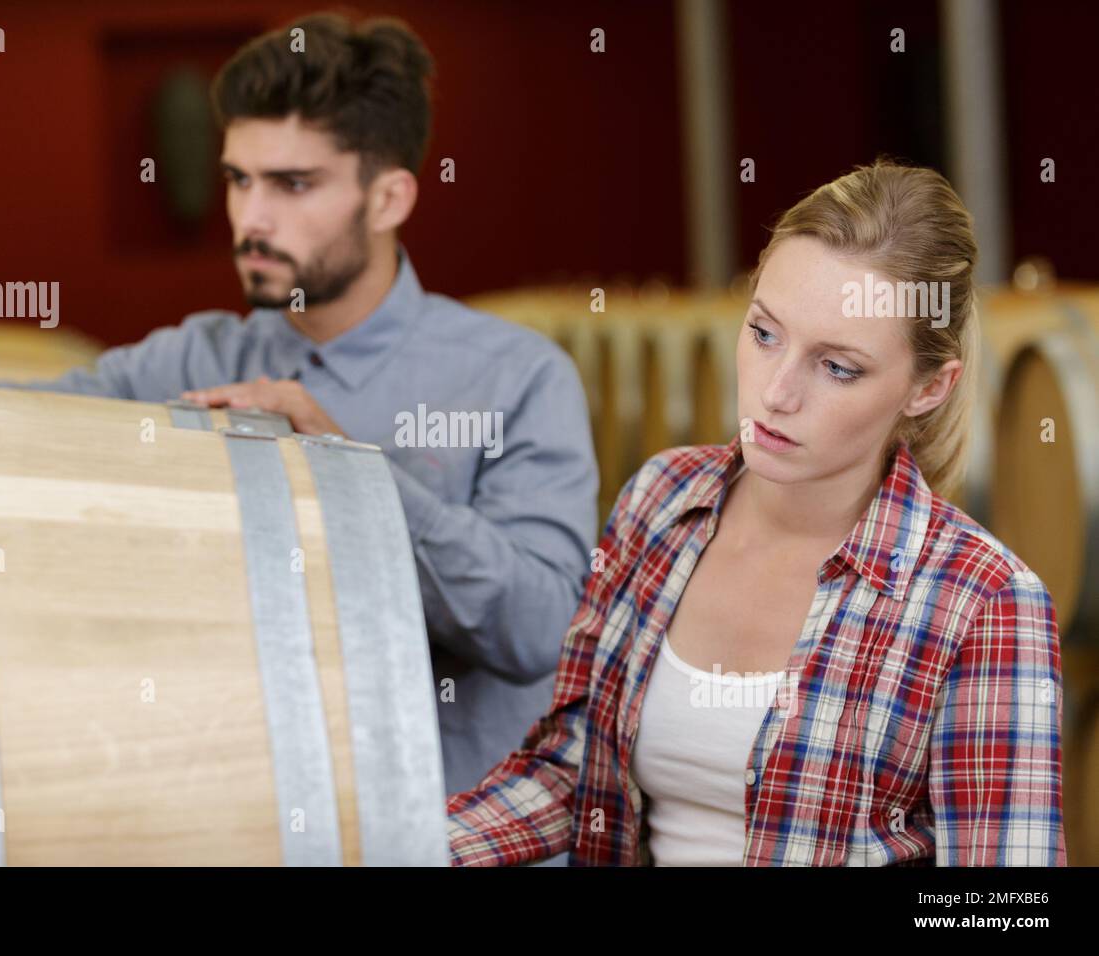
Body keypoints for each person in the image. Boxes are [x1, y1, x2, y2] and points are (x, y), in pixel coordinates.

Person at [0, 13, 599, 812]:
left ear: (388, 197)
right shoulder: (196, 359)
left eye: (293, 184)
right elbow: (21, 414)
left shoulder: (518, 376)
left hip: (458, 840)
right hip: (252, 827)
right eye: (237, 179)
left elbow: (538, 629)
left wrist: (350, 475)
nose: (250, 219)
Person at [447, 159, 1068, 866]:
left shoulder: (982, 600)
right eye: (765, 333)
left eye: (838, 367)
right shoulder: (661, 501)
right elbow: (569, 772)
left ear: (929, 387)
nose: (776, 392)